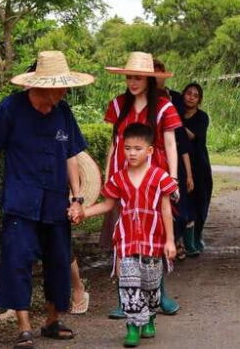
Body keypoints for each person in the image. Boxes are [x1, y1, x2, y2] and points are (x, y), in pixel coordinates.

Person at [0, 50, 92, 349]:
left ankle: (51, 321)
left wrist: (76, 198)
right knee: (17, 261)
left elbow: (71, 156)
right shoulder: (10, 108)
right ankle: (24, 327)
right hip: (20, 200)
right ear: (43, 84)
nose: (64, 92)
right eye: (60, 87)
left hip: (54, 202)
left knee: (58, 261)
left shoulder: (62, 112)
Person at [79, 122, 177, 346]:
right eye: (127, 148)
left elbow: (165, 209)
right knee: (129, 284)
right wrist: (84, 213)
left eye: (138, 149)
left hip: (153, 241)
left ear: (150, 150)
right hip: (126, 241)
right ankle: (132, 326)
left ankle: (150, 317)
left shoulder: (160, 178)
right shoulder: (118, 179)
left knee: (151, 286)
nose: (131, 153)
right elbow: (107, 205)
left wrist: (170, 241)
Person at [100, 51, 182, 318]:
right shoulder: (117, 104)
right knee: (123, 235)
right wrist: (106, 175)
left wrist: (173, 178)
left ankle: (158, 292)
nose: (132, 82)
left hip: (153, 176)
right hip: (122, 177)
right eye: (129, 77)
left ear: (149, 79)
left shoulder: (164, 107)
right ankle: (125, 298)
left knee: (154, 234)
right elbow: (114, 144)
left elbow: (170, 143)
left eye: (138, 77)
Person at [153, 59, 198, 258]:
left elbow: (179, 140)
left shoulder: (173, 101)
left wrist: (185, 174)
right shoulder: (131, 101)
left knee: (176, 202)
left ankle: (178, 241)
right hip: (146, 160)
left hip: (171, 160)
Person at [182, 82, 213, 252]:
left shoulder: (202, 117)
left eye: (195, 95)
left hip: (199, 164)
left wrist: (175, 123)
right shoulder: (177, 113)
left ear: (199, 99)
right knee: (185, 200)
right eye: (188, 93)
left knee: (201, 199)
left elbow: (192, 135)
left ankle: (197, 235)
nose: (191, 97)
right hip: (181, 162)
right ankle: (185, 238)